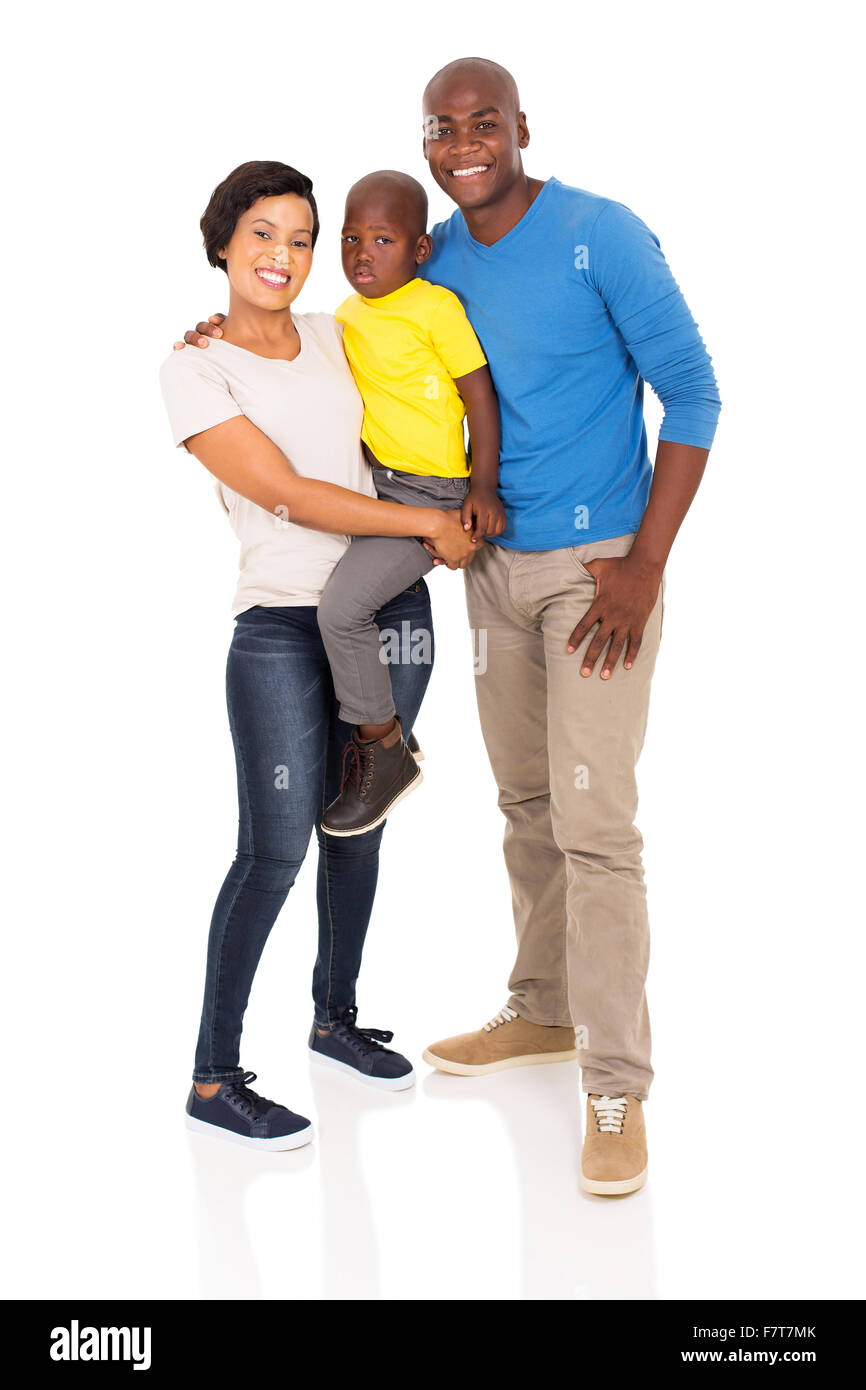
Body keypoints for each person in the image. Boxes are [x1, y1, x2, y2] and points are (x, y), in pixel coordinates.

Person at [175, 54, 722, 1196]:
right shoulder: (421, 260)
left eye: (482, 123)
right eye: (441, 126)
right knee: (524, 801)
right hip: (479, 572)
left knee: (594, 827)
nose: (462, 142)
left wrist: (644, 564)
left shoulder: (599, 232)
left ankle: (614, 1082)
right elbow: (309, 351)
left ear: (521, 126)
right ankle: (540, 1006)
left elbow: (694, 390)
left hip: (594, 569)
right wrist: (222, 325)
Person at [159, 160, 478, 1151]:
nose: (284, 256)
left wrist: (444, 515)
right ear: (222, 241)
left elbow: (432, 367)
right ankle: (214, 1078)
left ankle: (334, 1018)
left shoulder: (344, 334)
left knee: (360, 816)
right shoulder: (194, 367)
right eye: (262, 233)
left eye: (301, 238)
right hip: (280, 626)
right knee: (272, 848)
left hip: (388, 605)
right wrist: (430, 525)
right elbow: (287, 492)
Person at [317, 169, 503, 837]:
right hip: (377, 487)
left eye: (383, 239)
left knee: (340, 610)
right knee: (338, 600)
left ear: (419, 251)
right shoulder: (345, 315)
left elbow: (479, 396)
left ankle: (385, 749)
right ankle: (377, 738)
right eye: (349, 238)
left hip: (432, 490)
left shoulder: (435, 308)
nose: (362, 253)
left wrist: (482, 486)